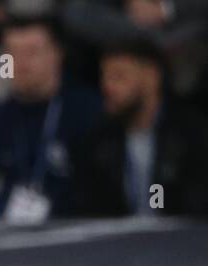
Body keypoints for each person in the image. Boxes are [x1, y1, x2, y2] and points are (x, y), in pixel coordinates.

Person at [0, 15, 103, 220]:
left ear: (56, 53)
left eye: (32, 53)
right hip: (9, 236)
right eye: (11, 54)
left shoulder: (89, 113)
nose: (21, 63)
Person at [73, 37, 208, 216]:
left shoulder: (191, 135)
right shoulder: (97, 142)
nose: (107, 86)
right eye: (104, 76)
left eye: (119, 76)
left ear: (152, 77)